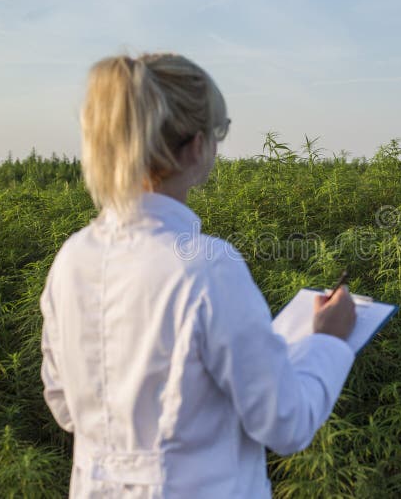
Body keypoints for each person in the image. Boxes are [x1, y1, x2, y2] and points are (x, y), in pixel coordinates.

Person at [39, 53, 357, 497]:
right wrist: (327, 340)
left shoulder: (71, 260)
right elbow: (286, 423)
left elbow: (65, 406)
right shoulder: (206, 267)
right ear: (196, 147)